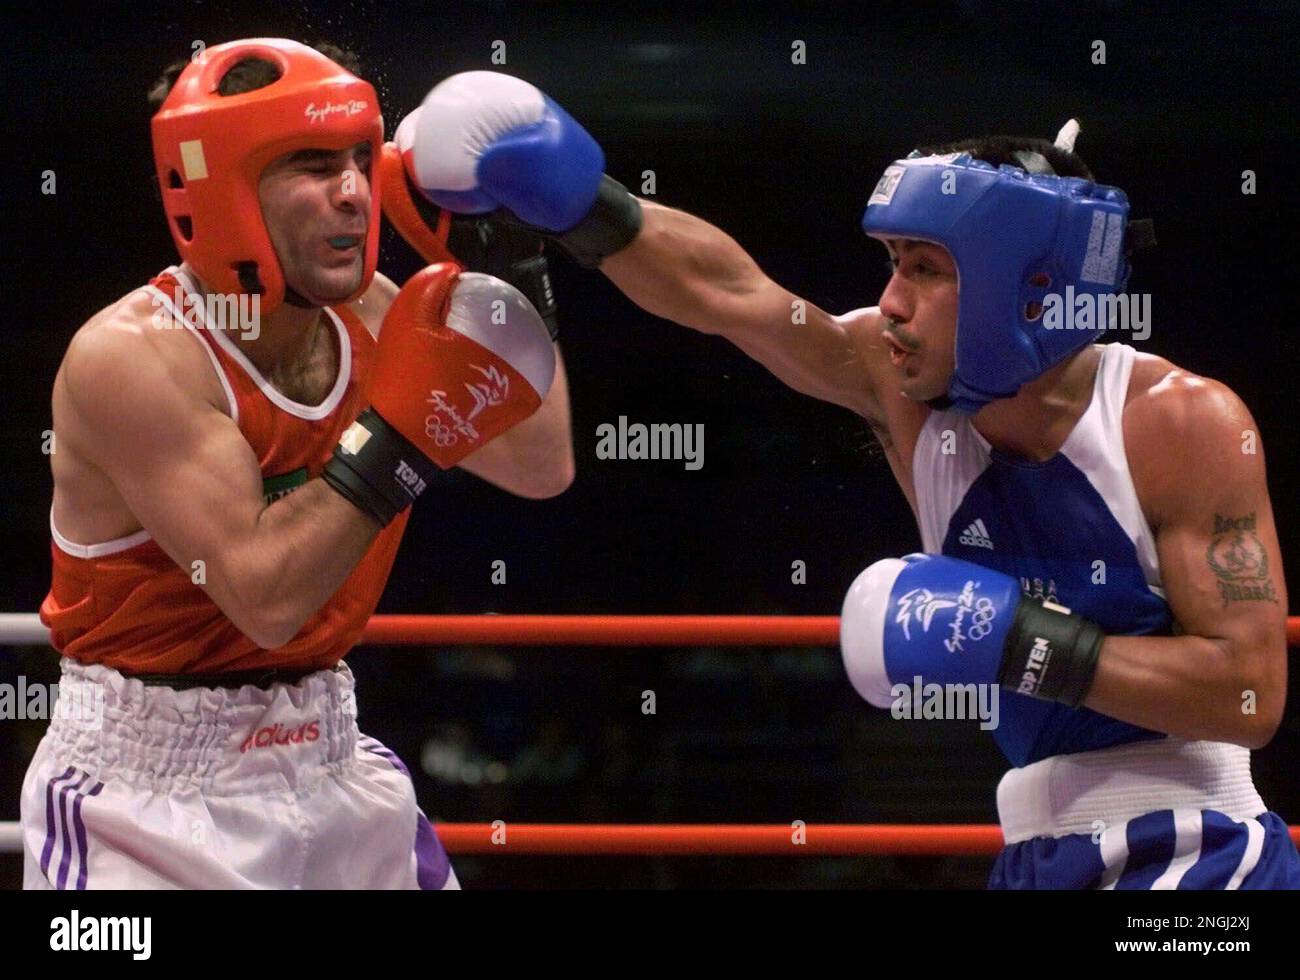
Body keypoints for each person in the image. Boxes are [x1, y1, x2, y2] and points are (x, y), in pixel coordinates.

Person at [391, 72, 1298, 888]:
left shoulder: (1180, 421)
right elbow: (731, 295)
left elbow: (1250, 694)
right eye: (892, 264)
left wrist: (1020, 642)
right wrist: (580, 201)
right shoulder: (899, 384)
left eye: (928, 269)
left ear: (1028, 289)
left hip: (1202, 850)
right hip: (1037, 854)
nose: (892, 303)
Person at [21, 39, 574, 890]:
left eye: (362, 159)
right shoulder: (133, 357)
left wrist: (514, 273)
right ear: (221, 188)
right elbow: (266, 598)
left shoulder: (382, 316)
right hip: (142, 800)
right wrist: (402, 432)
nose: (355, 193)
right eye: (313, 166)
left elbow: (542, 463)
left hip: (329, 759)